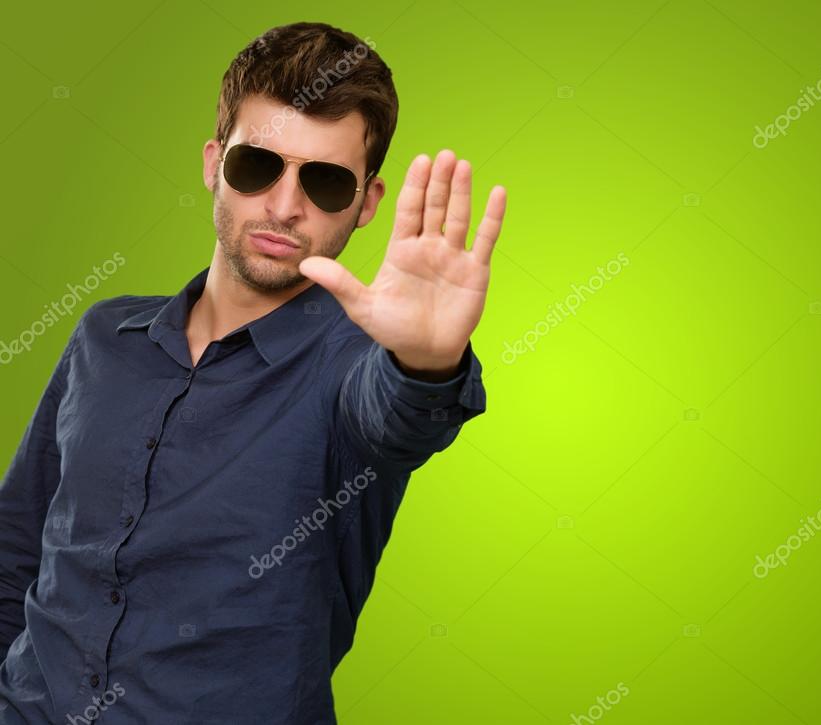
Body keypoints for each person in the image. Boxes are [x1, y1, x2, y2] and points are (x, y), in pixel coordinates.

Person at [0, 21, 506, 724]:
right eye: (257, 165)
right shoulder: (103, 336)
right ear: (214, 163)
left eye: (325, 181)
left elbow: (399, 417)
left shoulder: (356, 366)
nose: (284, 205)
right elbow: (17, 546)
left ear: (366, 203)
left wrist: (424, 360)